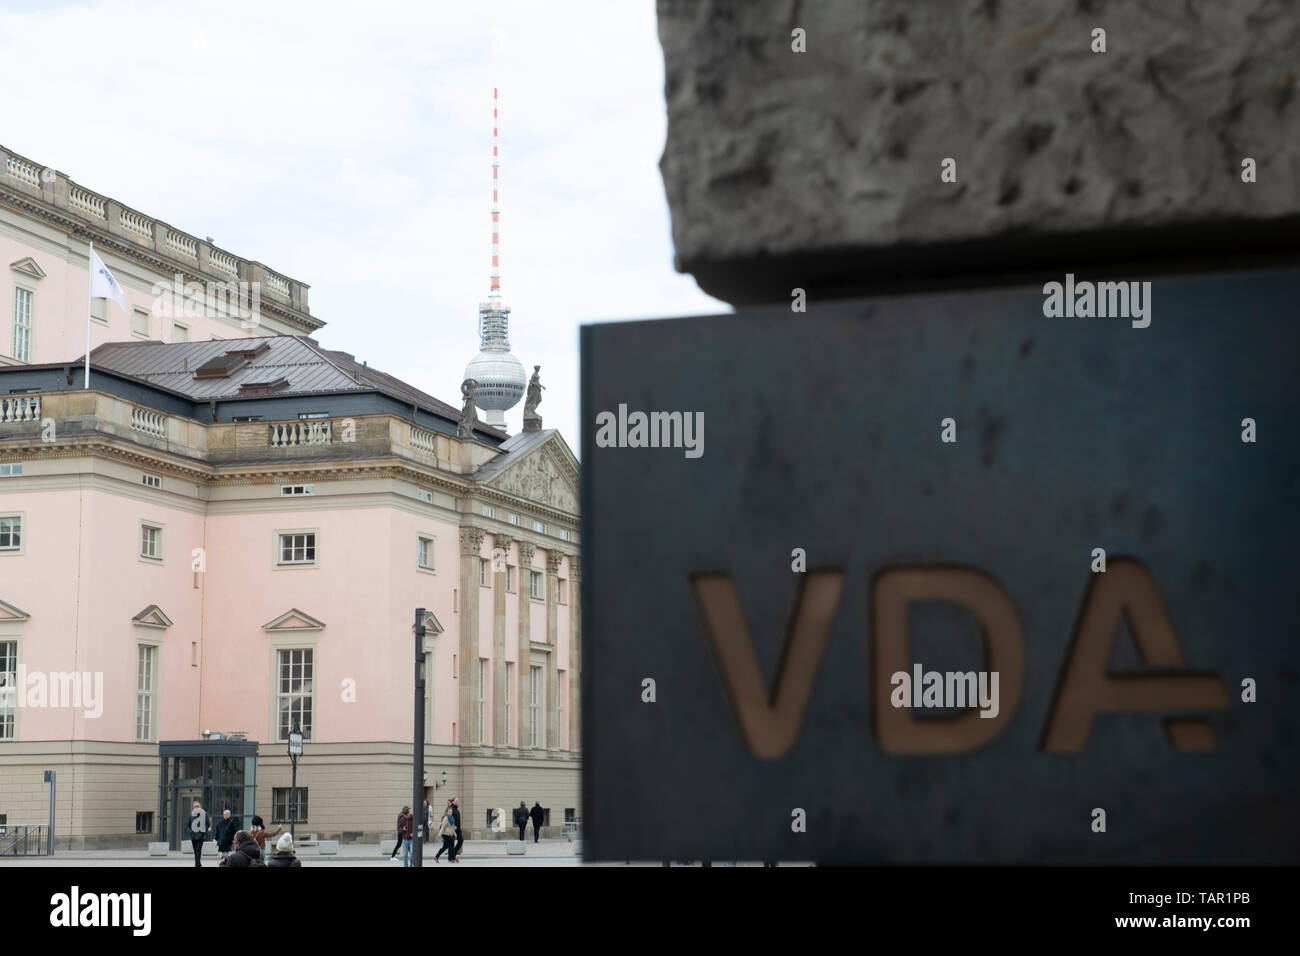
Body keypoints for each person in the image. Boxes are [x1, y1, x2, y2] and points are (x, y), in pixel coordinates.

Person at [188, 801, 209, 867]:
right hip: (193, 836)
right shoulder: (191, 814)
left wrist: (204, 832)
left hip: (200, 836)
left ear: (200, 807)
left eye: (198, 806)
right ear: (193, 807)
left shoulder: (205, 813)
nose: (196, 807)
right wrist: (190, 832)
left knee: (198, 850)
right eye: (195, 806)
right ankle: (198, 863)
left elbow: (207, 824)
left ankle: (197, 864)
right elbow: (188, 824)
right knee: (195, 850)